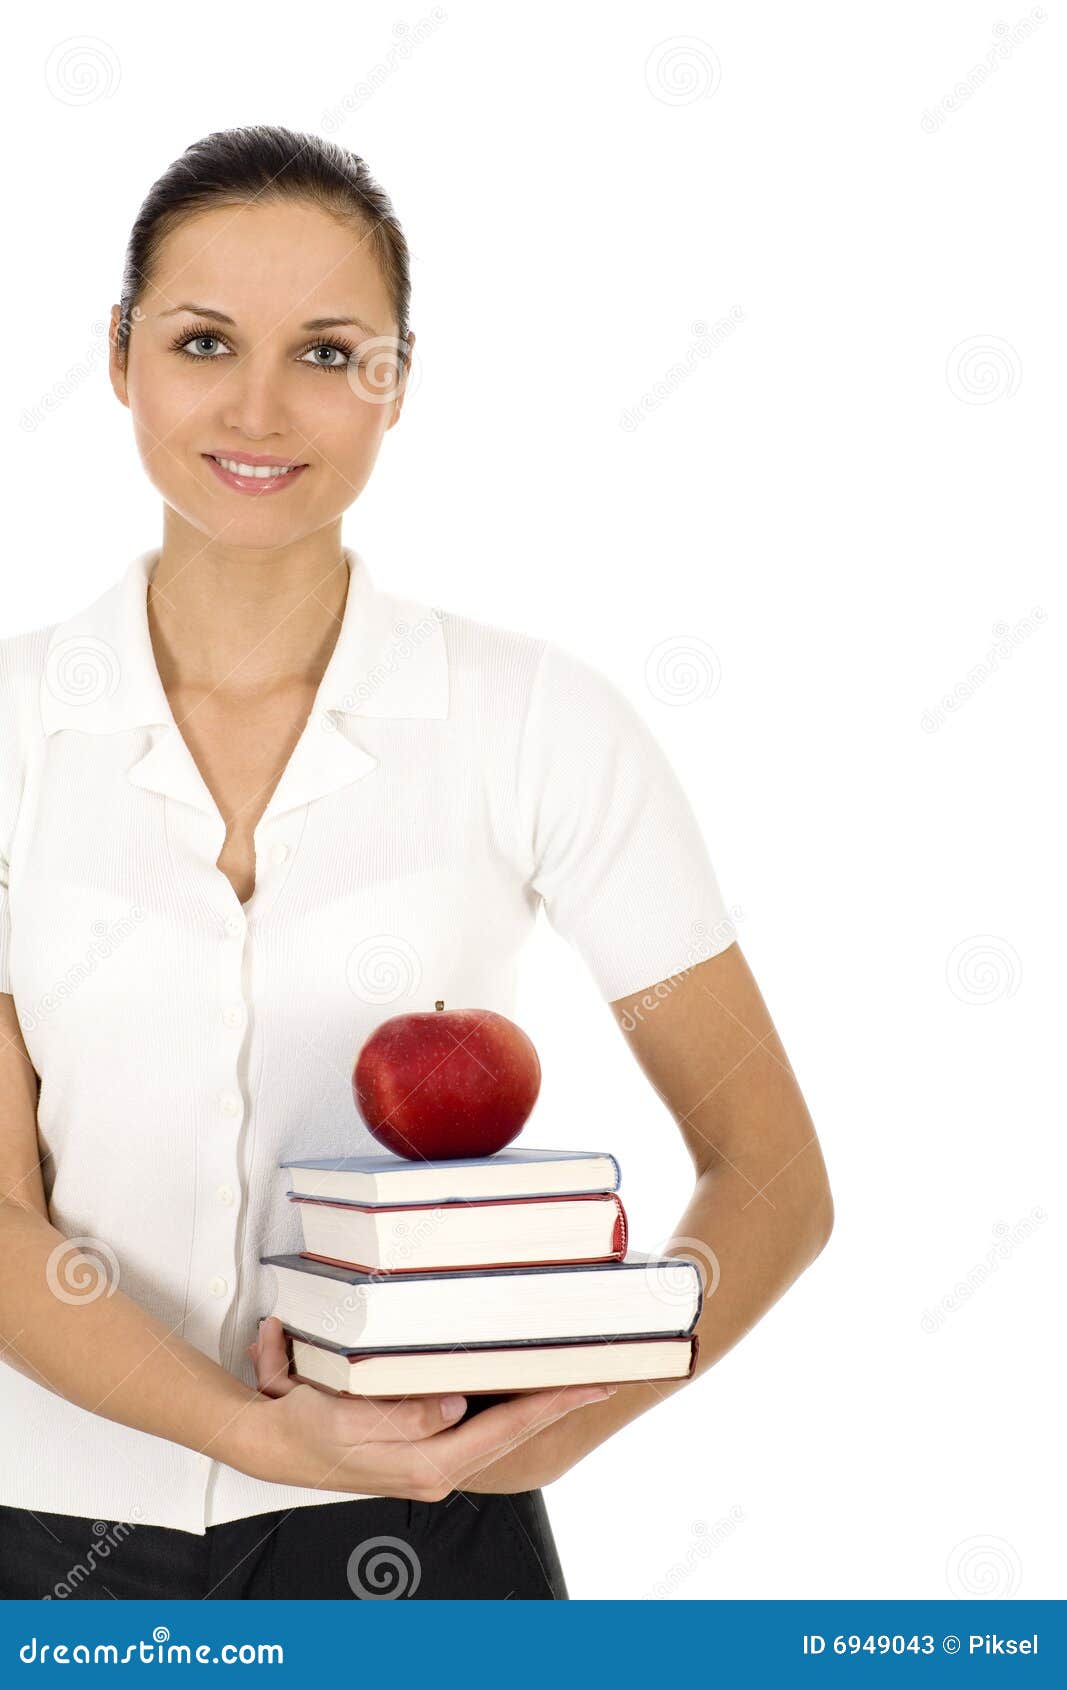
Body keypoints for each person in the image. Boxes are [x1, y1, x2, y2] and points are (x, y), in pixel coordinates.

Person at [0, 125, 833, 1601]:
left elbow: (769, 1173)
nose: (261, 406)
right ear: (121, 356)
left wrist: (551, 1430)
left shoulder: (536, 722)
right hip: (54, 1547)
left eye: (330, 353)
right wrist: (249, 1429)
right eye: (204, 341)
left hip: (430, 1540)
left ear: (397, 384)